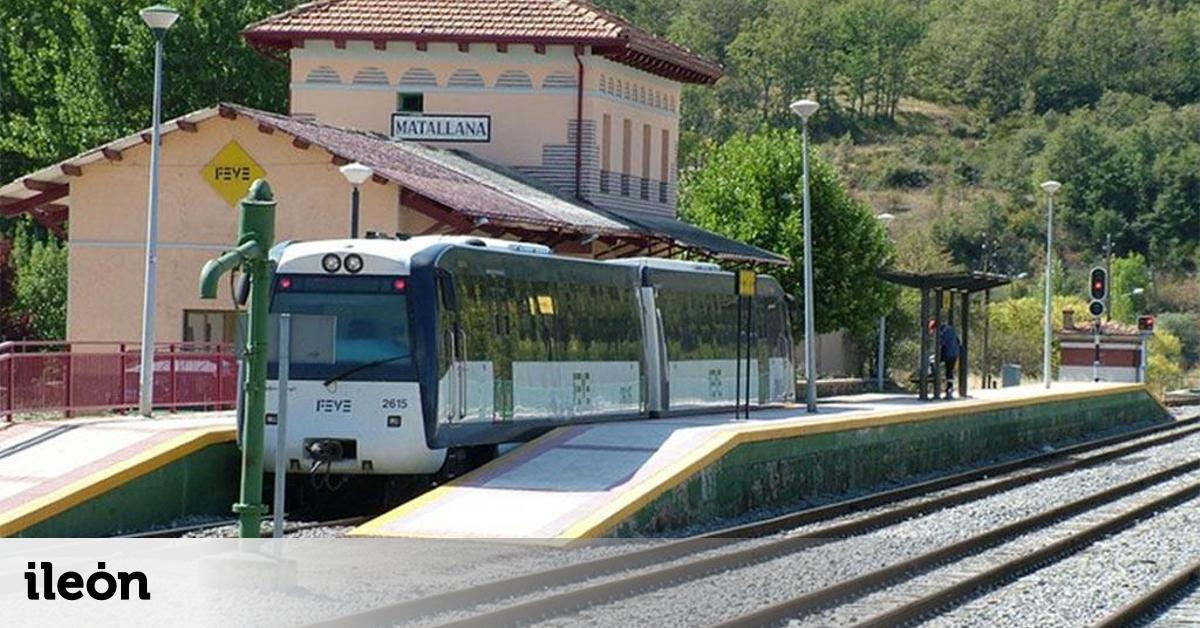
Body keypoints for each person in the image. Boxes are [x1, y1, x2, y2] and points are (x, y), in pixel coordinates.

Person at [940, 320, 960, 397]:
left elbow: (942, 343)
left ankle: (947, 388)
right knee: (950, 371)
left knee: (936, 365)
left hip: (948, 353)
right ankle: (949, 388)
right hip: (954, 354)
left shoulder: (942, 332)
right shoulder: (951, 330)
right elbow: (958, 341)